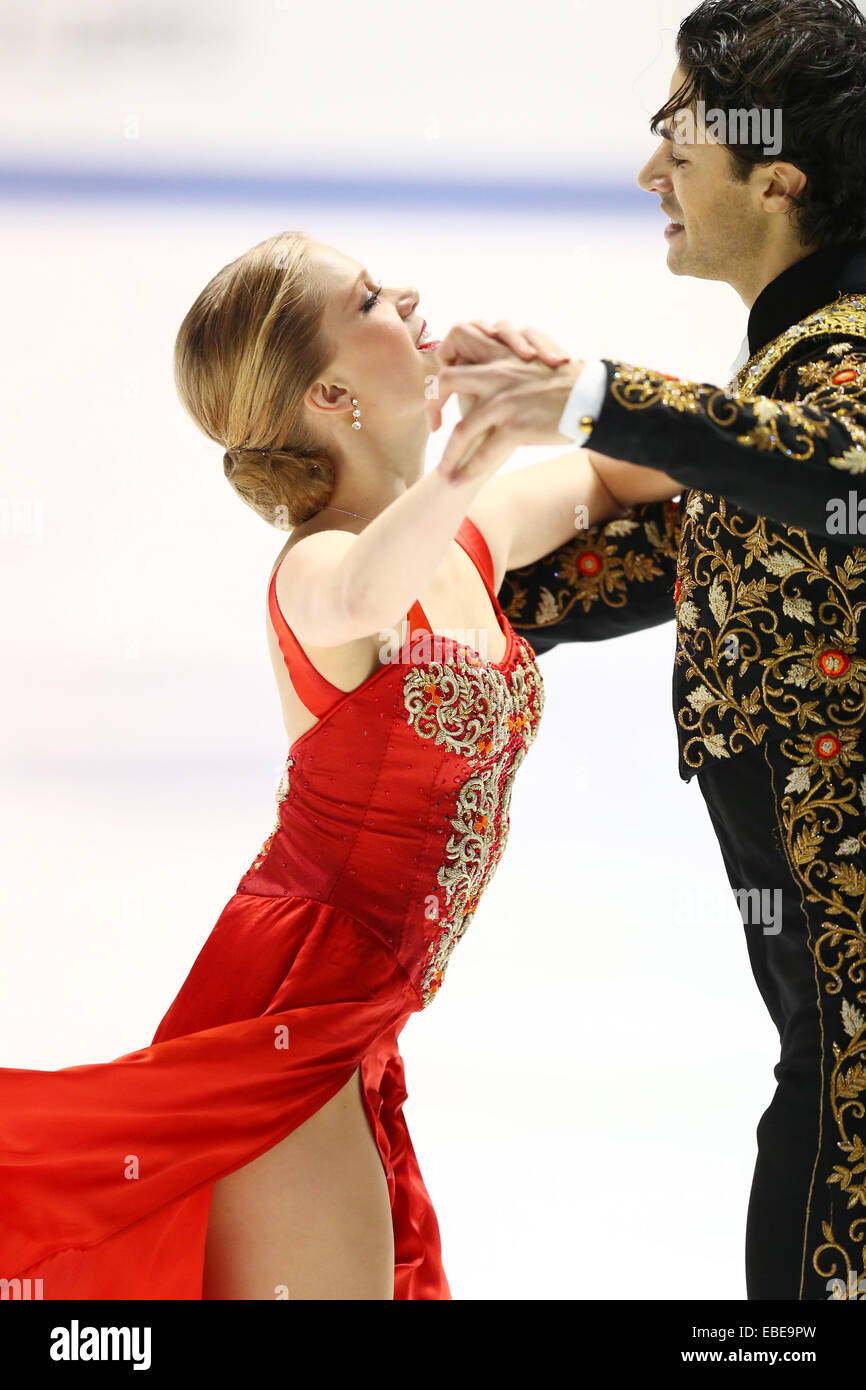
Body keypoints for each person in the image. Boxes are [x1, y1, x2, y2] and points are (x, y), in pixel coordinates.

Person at [0, 230, 676, 1300]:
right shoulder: (318, 564)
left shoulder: (465, 541)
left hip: (365, 1014)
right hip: (290, 1007)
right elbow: (359, 594)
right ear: (327, 393)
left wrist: (564, 393)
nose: (404, 293)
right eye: (367, 297)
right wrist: (476, 448)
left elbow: (612, 473)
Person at [427, 0, 866, 1302]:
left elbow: (834, 469)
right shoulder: (787, 364)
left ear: (773, 175)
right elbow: (710, 551)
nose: (647, 173)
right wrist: (432, 594)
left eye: (676, 138)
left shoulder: (843, 362)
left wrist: (591, 397)